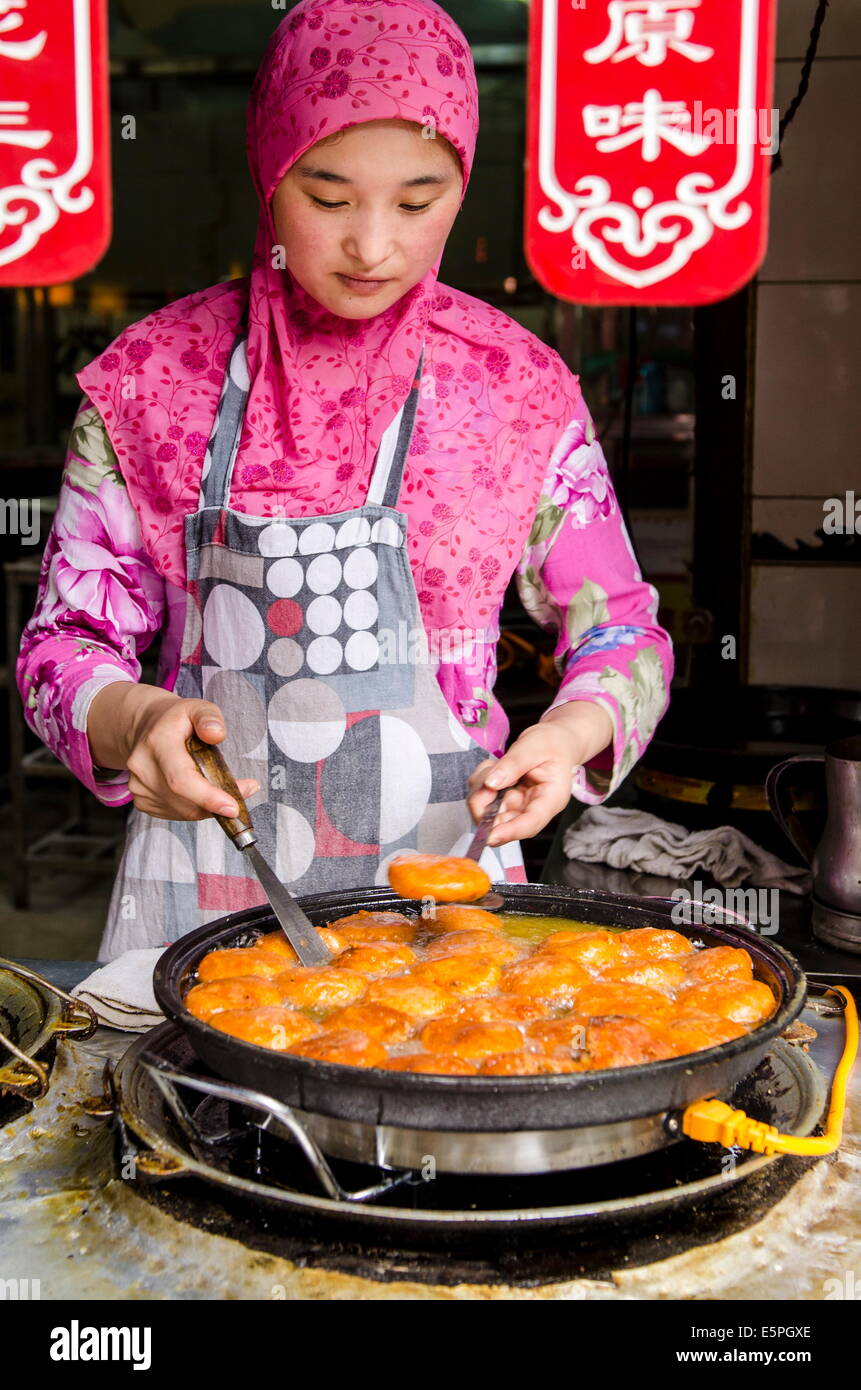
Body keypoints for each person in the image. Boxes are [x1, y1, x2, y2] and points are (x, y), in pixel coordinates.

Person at [17, 0, 673, 961]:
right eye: (326, 197)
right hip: (203, 902)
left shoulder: (515, 391)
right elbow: (62, 646)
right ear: (268, 174)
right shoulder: (149, 384)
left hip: (447, 903)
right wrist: (130, 716)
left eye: (418, 200)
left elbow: (620, 628)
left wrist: (572, 734)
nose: (374, 246)